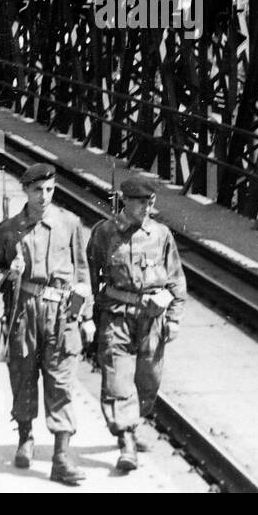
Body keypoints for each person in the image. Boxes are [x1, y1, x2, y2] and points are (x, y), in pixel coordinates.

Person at [0, 163, 95, 486]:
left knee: (61, 382)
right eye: (36, 191)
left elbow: (82, 273)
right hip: (24, 312)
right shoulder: (9, 229)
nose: (43, 197)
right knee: (23, 375)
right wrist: (9, 276)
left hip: (61, 315)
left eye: (49, 190)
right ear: (25, 191)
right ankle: (26, 438)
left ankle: (61, 457)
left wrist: (86, 317)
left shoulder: (69, 224)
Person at [87, 173, 187, 473]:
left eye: (150, 201)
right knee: (117, 379)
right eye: (140, 202)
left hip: (152, 319)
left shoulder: (160, 234)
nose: (146, 207)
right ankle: (126, 439)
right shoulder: (105, 233)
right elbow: (89, 275)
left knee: (149, 380)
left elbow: (176, 279)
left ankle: (135, 421)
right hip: (116, 315)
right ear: (125, 201)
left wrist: (175, 318)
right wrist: (87, 318)